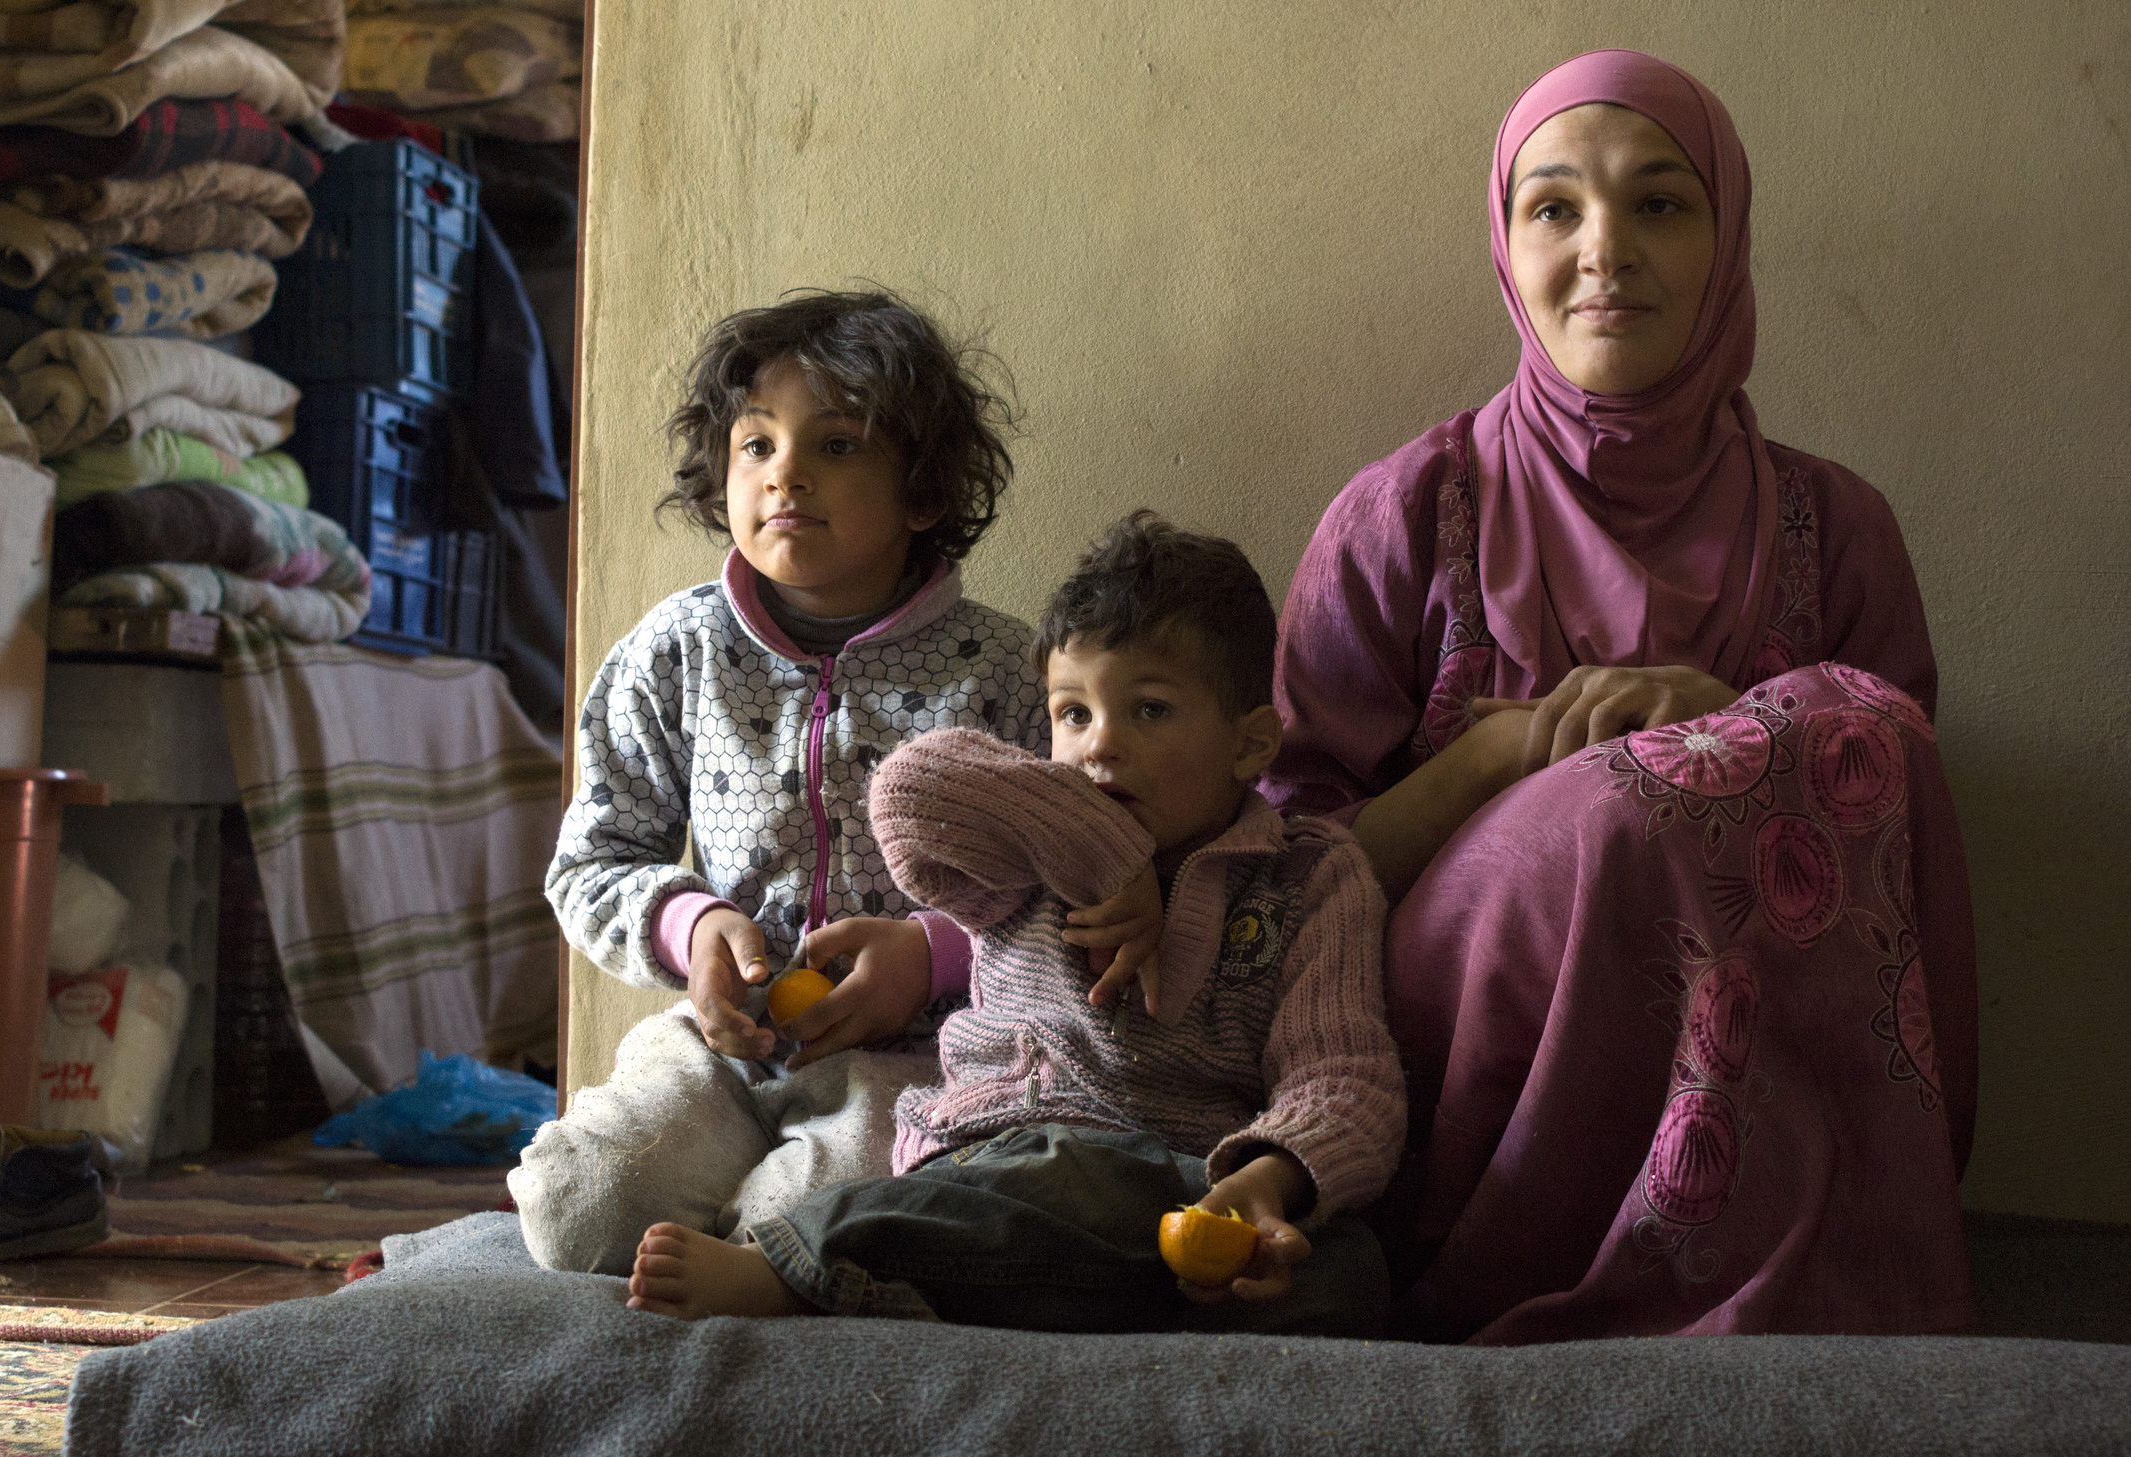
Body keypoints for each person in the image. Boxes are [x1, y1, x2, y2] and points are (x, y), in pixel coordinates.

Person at [1264, 50, 1979, 1342]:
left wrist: (1724, 718)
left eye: (1659, 203)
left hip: (1773, 1075)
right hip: (1473, 1047)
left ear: (1726, 238)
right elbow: (1279, 878)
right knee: (1635, 809)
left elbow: (1903, 846)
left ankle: (1793, 1268)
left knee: (1858, 732)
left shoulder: (1836, 523)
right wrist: (1510, 760)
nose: (1607, 251)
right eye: (1555, 207)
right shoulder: (1408, 513)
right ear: (1505, 240)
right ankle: (1528, 1264)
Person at [623, 513, 1405, 1334]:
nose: (1099, 747)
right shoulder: (1027, 849)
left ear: (1250, 744)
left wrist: (1269, 1181)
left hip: (1188, 1181)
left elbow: (1347, 1074)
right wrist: (1101, 849)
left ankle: (1060, 1298)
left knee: (1349, 1267)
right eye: (1073, 714)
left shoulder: (1314, 876)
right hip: (1014, 1151)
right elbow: (906, 791)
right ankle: (791, 1266)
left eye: (1148, 710)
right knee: (1065, 1177)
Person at [513, 290, 1060, 1276]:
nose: (787, 473)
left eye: (839, 445)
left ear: (923, 492)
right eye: (756, 445)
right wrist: (694, 929)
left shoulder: (1006, 673)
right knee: (574, 1209)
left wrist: (929, 959)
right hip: (719, 1049)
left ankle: (761, 1246)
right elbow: (590, 863)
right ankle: (719, 1219)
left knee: (813, 1231)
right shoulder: (675, 655)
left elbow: (1073, 891)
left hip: (916, 1058)